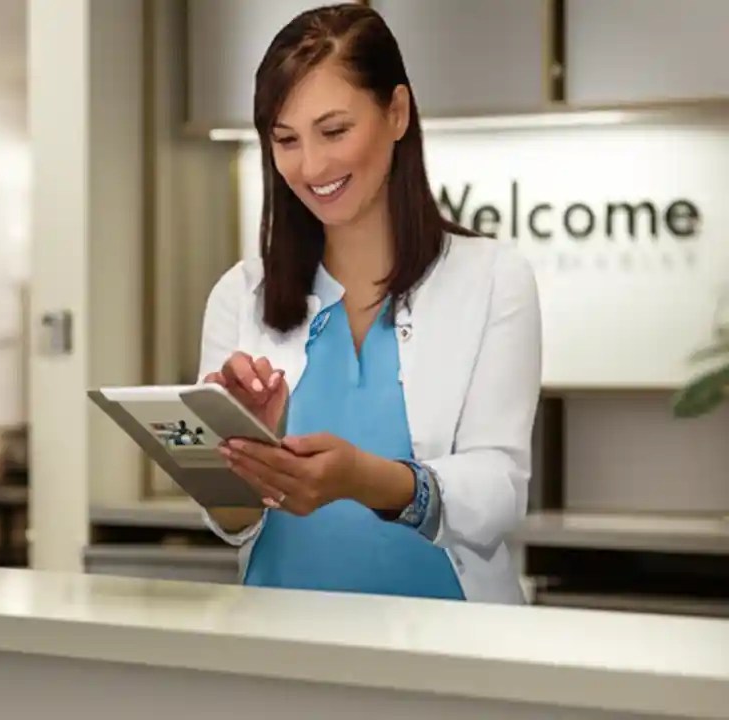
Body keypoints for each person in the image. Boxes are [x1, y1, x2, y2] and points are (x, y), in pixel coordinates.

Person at [199, 4, 541, 604]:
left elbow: (500, 493)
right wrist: (240, 457)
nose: (312, 166)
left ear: (397, 112)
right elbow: (228, 524)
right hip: (279, 645)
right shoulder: (239, 296)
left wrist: (368, 480)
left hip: (450, 650)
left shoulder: (494, 279)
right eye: (286, 140)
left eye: (334, 131)